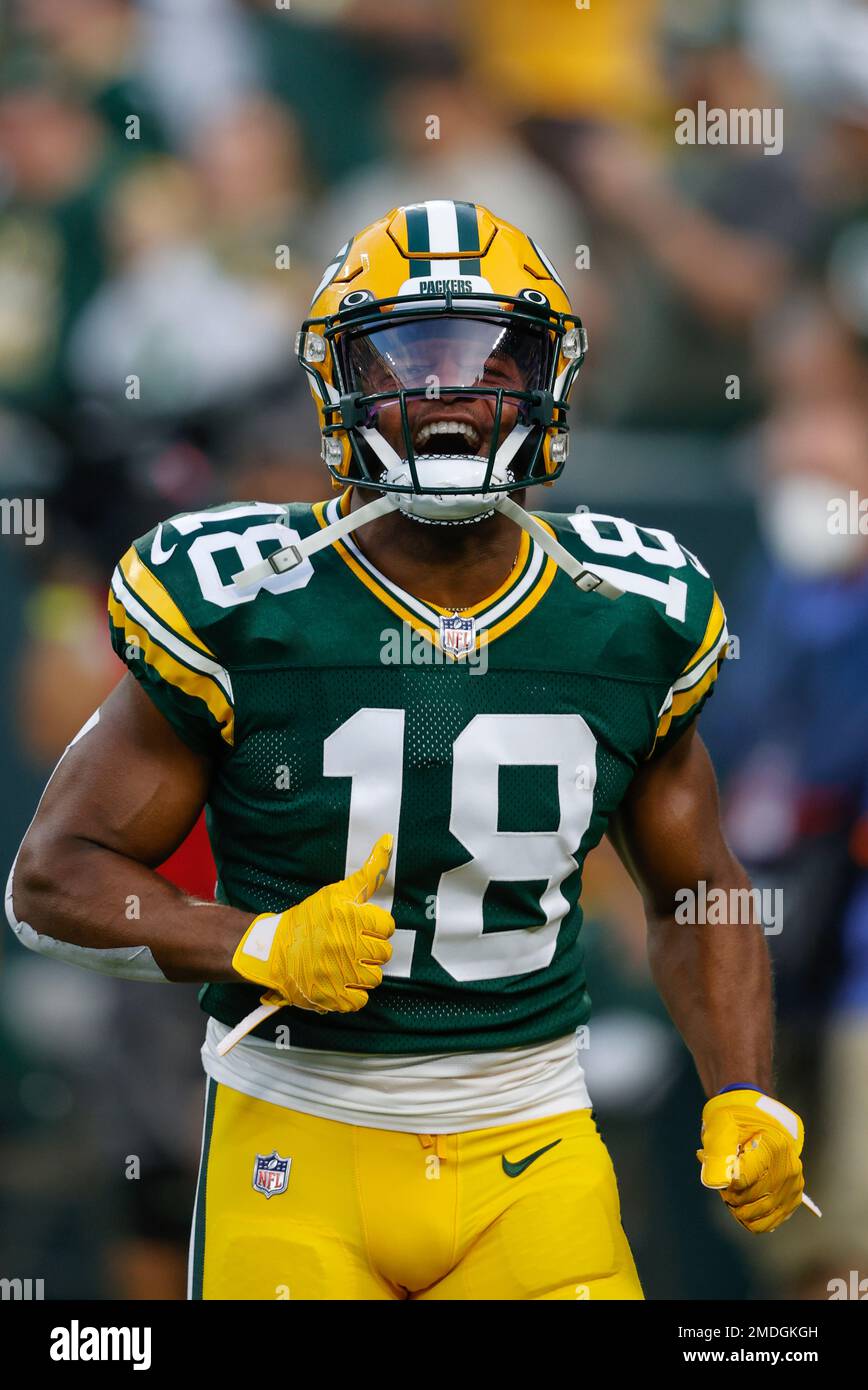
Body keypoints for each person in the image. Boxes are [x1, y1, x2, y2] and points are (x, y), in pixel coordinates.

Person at [7, 201, 806, 1301]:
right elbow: (50, 880)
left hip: (530, 1137)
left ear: (549, 375)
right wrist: (259, 944)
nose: (448, 394)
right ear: (339, 377)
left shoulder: (630, 609)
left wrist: (741, 1089)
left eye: (488, 358)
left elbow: (697, 892)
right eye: (407, 357)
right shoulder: (244, 597)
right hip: (298, 1127)